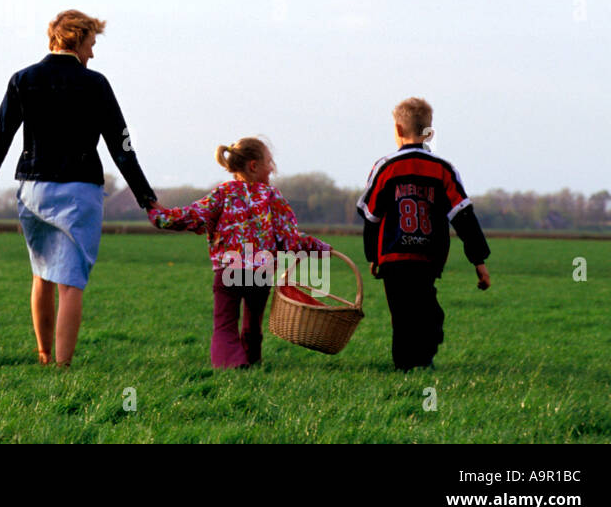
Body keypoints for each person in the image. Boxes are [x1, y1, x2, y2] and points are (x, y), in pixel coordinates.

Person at [0, 9, 157, 368]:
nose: (92, 54)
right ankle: (63, 365)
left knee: (42, 274)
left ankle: (45, 356)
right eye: (91, 44)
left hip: (33, 191)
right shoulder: (96, 85)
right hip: (79, 192)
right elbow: (122, 147)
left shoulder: (23, 80)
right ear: (77, 39)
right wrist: (148, 199)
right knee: (71, 283)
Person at [148, 137, 330, 369]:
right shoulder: (272, 197)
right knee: (253, 325)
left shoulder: (222, 193)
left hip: (229, 271)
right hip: (260, 273)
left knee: (224, 325)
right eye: (269, 162)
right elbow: (290, 239)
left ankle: (230, 365)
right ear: (254, 166)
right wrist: (320, 247)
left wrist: (158, 214)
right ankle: (252, 362)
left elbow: (191, 215)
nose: (272, 168)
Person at [357, 97, 491, 371]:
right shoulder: (443, 169)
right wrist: (479, 261)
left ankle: (407, 363)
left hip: (393, 255)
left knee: (402, 313)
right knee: (426, 309)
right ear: (430, 131)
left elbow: (371, 217)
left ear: (397, 129)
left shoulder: (385, 167)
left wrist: (372, 255)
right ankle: (418, 361)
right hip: (427, 255)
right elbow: (464, 217)